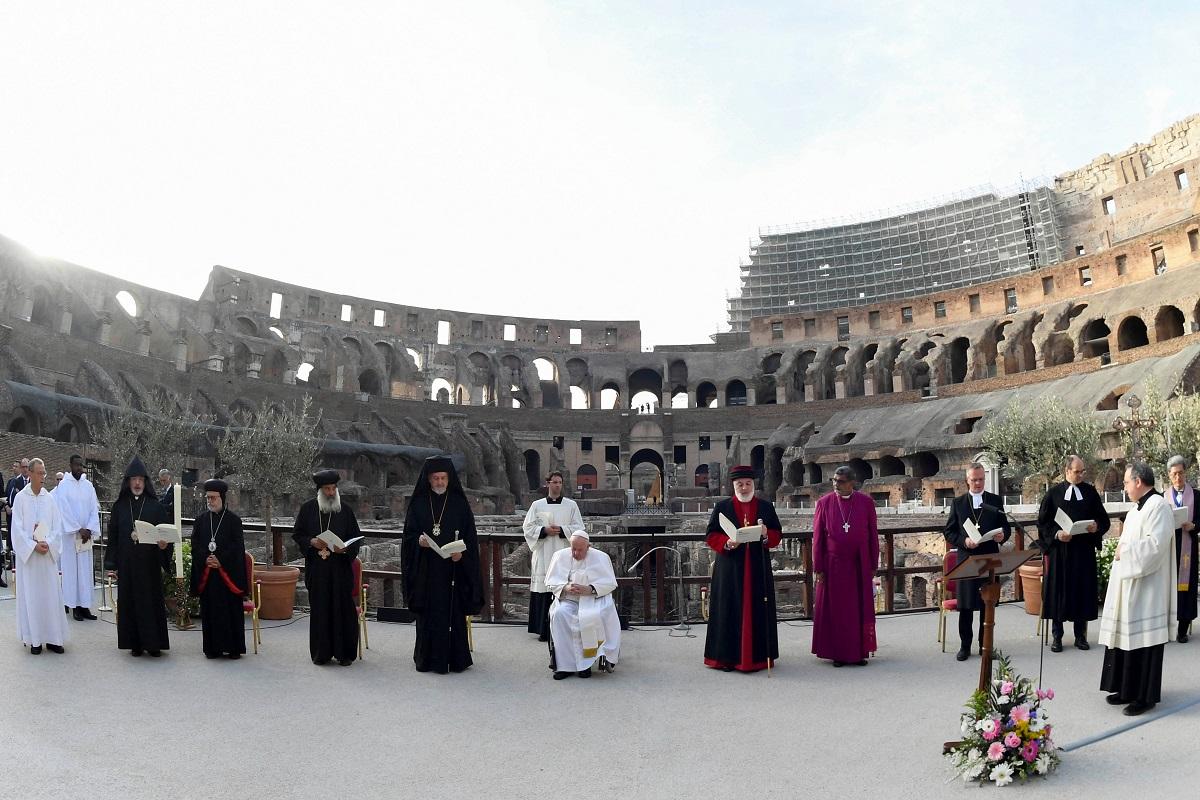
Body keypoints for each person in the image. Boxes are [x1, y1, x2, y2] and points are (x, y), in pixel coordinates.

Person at [1099, 463, 1177, 716]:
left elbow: (1156, 546)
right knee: (1126, 640)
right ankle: (1125, 689)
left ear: (1139, 481)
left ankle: (1145, 697)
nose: (1124, 486)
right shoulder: (1135, 510)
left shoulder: (1159, 507)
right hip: (1129, 584)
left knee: (1144, 641)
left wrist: (1126, 552)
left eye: (1125, 482)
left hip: (1147, 589)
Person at [401, 455, 483, 674]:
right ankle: (426, 659)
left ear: (449, 479)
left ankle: (456, 659)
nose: (439, 482)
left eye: (443, 478)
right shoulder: (418, 503)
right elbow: (408, 537)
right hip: (426, 571)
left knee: (452, 614)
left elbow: (471, 540)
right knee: (428, 616)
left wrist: (461, 556)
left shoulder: (459, 505)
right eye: (435, 478)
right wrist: (417, 541)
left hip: (452, 571)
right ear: (428, 479)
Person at [703, 464, 782, 672]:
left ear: (753, 484)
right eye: (740, 484)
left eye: (748, 484)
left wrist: (766, 533)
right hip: (730, 568)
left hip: (758, 567)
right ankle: (726, 658)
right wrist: (727, 543)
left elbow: (776, 535)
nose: (744, 488)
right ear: (733, 485)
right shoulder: (722, 507)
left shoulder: (765, 507)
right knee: (728, 610)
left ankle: (756, 659)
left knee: (758, 609)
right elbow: (711, 535)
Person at [1035, 455, 1110, 652]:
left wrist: (1096, 527)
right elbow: (1043, 523)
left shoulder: (1090, 492)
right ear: (1067, 471)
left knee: (1081, 592)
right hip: (1061, 552)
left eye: (1082, 471)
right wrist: (1058, 534)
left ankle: (1080, 636)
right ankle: (1057, 637)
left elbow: (1103, 519)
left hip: (1083, 552)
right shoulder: (1053, 494)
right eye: (1077, 471)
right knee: (1059, 593)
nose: (1081, 475)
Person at [104, 456, 173, 657]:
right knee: (130, 603)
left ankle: (153, 644)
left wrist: (163, 545)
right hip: (127, 564)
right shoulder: (119, 507)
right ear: (128, 482)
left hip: (149, 564)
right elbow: (114, 537)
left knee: (150, 603)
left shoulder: (155, 506)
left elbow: (165, 533)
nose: (137, 483)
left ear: (145, 482)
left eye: (140, 480)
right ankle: (134, 643)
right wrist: (112, 563)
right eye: (133, 479)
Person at [292, 469, 362, 666]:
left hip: (340, 570)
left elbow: (356, 539)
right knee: (320, 610)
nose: (331, 493)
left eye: (333, 489)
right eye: (327, 489)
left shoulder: (345, 510)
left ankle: (344, 654)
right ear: (320, 490)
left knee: (343, 610)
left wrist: (345, 549)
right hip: (318, 570)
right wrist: (312, 541)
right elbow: (298, 535)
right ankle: (321, 654)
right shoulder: (308, 509)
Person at [811, 466, 879, 667]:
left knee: (858, 610)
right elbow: (818, 538)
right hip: (833, 565)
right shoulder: (824, 503)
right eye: (834, 480)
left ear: (852, 483)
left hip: (859, 563)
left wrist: (873, 563)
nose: (836, 485)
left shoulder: (866, 503)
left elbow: (873, 534)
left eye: (840, 481)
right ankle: (838, 653)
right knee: (838, 611)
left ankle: (859, 652)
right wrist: (819, 568)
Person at [943, 463, 1011, 661]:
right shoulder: (958, 503)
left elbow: (1005, 527)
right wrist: (964, 541)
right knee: (966, 606)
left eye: (981, 479)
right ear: (967, 480)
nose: (978, 483)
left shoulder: (995, 501)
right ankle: (965, 646)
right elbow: (949, 531)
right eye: (974, 480)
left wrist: (1002, 536)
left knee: (986, 604)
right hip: (967, 559)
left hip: (989, 559)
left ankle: (985, 645)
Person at [11, 458, 67, 654]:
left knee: (50, 597)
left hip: (46, 558)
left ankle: (53, 639)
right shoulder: (21, 498)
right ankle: (35, 640)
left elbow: (56, 527)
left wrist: (48, 543)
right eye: (40, 473)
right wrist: (32, 545)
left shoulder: (49, 499)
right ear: (31, 474)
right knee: (33, 597)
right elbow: (16, 529)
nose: (43, 476)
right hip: (31, 560)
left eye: (44, 473)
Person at [545, 531, 619, 679]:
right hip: (569, 599)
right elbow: (550, 582)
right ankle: (565, 666)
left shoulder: (601, 558)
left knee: (591, 617)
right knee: (560, 614)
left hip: (593, 600)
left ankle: (585, 665)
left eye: (579, 550)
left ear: (588, 547)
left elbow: (610, 584)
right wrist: (565, 587)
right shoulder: (559, 556)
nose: (575, 553)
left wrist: (590, 589)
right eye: (573, 548)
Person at [521, 471, 584, 642]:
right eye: (554, 482)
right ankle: (544, 630)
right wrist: (544, 530)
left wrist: (563, 530)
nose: (557, 485)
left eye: (560, 482)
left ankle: (565, 630)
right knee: (544, 589)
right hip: (543, 552)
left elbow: (579, 528)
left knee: (564, 590)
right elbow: (527, 528)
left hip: (563, 552)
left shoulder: (571, 505)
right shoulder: (537, 505)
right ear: (547, 484)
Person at [190, 479, 247, 659]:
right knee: (210, 612)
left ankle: (233, 648)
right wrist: (205, 558)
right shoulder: (200, 520)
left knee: (230, 612)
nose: (210, 501)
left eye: (213, 498)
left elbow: (238, 547)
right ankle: (212, 648)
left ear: (222, 497)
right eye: (208, 498)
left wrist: (220, 560)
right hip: (208, 575)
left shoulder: (234, 521)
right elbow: (195, 544)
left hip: (227, 574)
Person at [54, 454, 102, 621]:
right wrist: (78, 529)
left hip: (85, 538)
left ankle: (85, 606)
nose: (79, 468)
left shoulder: (88, 486)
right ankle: (73, 606)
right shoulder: (64, 487)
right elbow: (63, 510)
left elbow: (93, 509)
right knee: (72, 573)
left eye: (81, 465)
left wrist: (89, 529)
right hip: (71, 537)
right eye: (76, 465)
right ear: (70, 465)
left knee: (85, 572)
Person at [1165, 455, 1198, 643]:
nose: (1178, 477)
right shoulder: (1163, 498)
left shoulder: (1197, 495)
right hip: (1170, 549)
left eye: (1181, 473)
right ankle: (1168, 626)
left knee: (1186, 588)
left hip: (1188, 549)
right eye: (1175, 474)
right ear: (1169, 475)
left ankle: (1183, 629)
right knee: (1169, 587)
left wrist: (1194, 526)